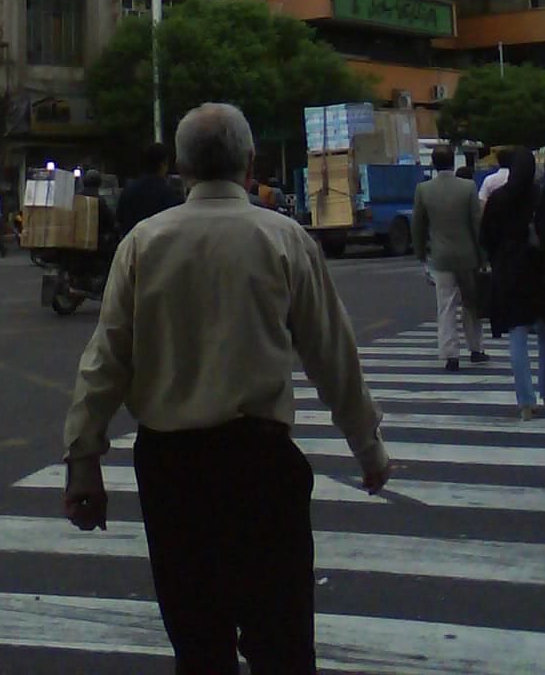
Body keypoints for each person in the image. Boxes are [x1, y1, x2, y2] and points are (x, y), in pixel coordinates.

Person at [62, 102, 389, 675]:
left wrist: (83, 459)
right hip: (260, 467)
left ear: (181, 168)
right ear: (250, 162)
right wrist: (368, 446)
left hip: (171, 473)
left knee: (198, 646)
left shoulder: (143, 243)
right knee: (282, 645)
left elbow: (106, 360)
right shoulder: (284, 238)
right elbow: (332, 354)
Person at [481, 147, 545, 419]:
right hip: (541, 273)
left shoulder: (498, 199)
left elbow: (486, 237)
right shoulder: (544, 196)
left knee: (517, 337)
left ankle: (526, 401)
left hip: (510, 274)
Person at [412, 144, 488, 372]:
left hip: (440, 257)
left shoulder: (423, 190)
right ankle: (476, 348)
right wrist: (483, 256)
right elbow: (477, 224)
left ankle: (450, 354)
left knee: (445, 306)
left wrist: (421, 254)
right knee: (471, 305)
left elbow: (418, 225)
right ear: (453, 163)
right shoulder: (468, 187)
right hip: (467, 256)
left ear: (433, 164)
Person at [116, 143, 180, 236]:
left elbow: (120, 220)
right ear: (163, 164)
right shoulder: (168, 193)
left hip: (132, 241)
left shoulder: (128, 190)